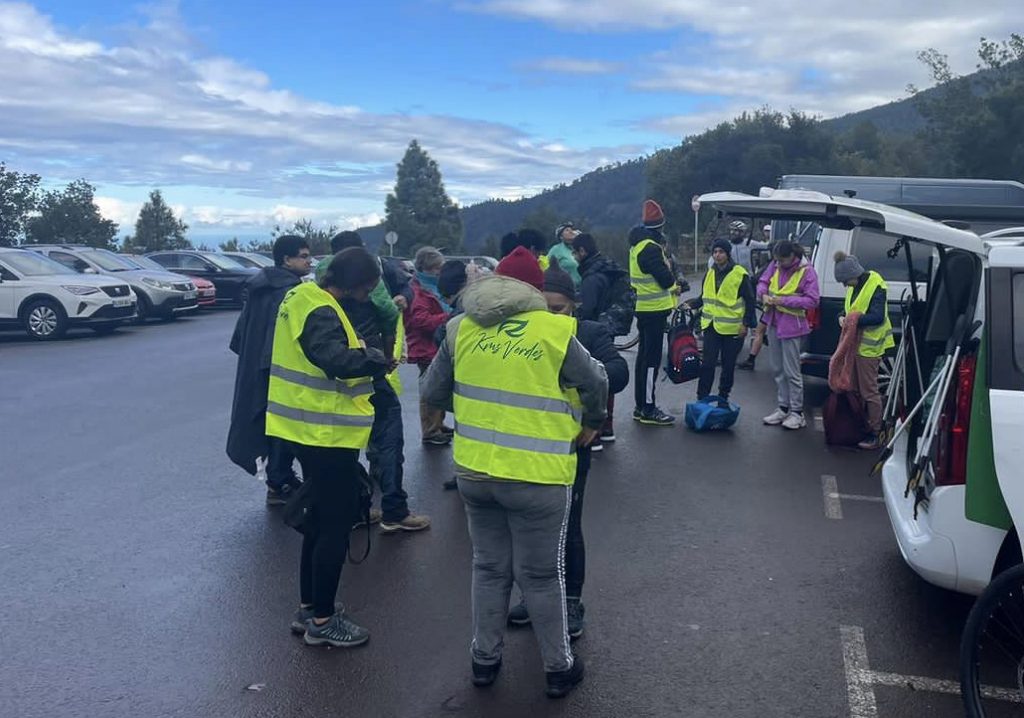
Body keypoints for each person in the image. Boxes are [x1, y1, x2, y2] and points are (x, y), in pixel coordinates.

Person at [420, 245, 608, 699]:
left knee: (488, 567)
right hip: (537, 474)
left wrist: (480, 411)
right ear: (536, 291)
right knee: (541, 576)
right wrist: (592, 421)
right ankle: (558, 668)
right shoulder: (554, 330)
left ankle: (484, 660)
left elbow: (432, 391)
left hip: (475, 472)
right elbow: (596, 381)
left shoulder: (459, 328)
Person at [266, 247, 391, 647]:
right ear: (356, 283)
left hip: (307, 428)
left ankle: (310, 608)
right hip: (325, 432)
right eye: (368, 288)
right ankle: (323, 620)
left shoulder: (302, 297)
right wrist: (375, 359)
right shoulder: (319, 308)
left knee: (319, 522)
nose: (369, 295)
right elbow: (333, 359)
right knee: (334, 526)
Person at [505, 264, 627, 638]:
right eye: (541, 309)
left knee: (568, 527)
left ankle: (571, 601)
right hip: (526, 445)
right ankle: (535, 597)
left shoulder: (587, 332)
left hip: (571, 447)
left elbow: (618, 371)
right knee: (526, 529)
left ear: (574, 305)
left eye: (557, 309)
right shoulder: (521, 333)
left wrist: (583, 377)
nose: (549, 316)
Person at [318, 231, 429, 532]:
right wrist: (386, 357)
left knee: (345, 447)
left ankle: (357, 508)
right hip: (368, 370)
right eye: (367, 288)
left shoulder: (316, 291)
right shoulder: (368, 279)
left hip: (333, 383)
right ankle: (394, 509)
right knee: (388, 438)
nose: (369, 293)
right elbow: (389, 312)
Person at [227, 235, 312, 505]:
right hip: (277, 370)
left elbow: (240, 336)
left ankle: (279, 479)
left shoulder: (259, 286)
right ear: (286, 260)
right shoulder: (288, 291)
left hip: (258, 367)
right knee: (284, 426)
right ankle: (280, 479)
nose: (309, 261)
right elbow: (282, 335)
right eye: (303, 256)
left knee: (270, 424)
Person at [572, 231, 631, 444]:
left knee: (592, 378)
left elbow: (587, 309)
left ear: (582, 251)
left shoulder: (591, 277)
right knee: (607, 376)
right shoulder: (608, 267)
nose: (574, 257)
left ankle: (594, 431)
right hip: (610, 327)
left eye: (575, 252)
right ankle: (607, 427)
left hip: (594, 332)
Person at [758, 241, 820, 430]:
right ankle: (783, 408)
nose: (779, 263)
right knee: (777, 369)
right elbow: (763, 282)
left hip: (793, 326)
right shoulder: (775, 264)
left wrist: (783, 301)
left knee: (792, 371)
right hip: (773, 321)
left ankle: (797, 413)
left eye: (782, 260)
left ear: (793, 256)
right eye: (777, 260)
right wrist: (763, 295)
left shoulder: (807, 271)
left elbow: (812, 300)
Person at [834, 251, 894, 450]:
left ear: (854, 274)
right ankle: (862, 425)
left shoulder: (876, 285)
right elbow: (850, 308)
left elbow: (877, 317)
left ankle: (876, 432)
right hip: (855, 346)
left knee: (869, 392)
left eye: (845, 281)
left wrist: (853, 320)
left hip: (870, 347)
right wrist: (842, 316)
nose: (845, 285)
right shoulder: (856, 286)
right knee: (855, 389)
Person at [629, 199, 678, 426]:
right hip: (654, 310)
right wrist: (669, 268)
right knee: (651, 362)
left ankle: (640, 406)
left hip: (644, 309)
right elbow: (666, 280)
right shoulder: (651, 249)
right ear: (660, 226)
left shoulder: (636, 246)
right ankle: (648, 408)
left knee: (643, 359)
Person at [690, 239, 757, 401]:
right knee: (707, 364)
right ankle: (702, 397)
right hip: (711, 326)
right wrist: (691, 304)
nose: (717, 255)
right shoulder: (710, 272)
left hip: (732, 328)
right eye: (715, 252)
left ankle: (723, 397)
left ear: (728, 254)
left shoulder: (739, 274)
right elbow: (705, 296)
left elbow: (750, 300)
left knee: (728, 366)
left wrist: (746, 324)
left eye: (721, 252)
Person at [406, 247, 454, 446]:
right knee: (429, 391)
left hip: (435, 346)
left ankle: (438, 423)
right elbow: (420, 321)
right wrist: (448, 318)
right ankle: (430, 429)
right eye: (435, 268)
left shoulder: (432, 289)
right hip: (425, 347)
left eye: (440, 268)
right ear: (424, 269)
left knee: (440, 387)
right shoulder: (419, 292)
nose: (438, 272)